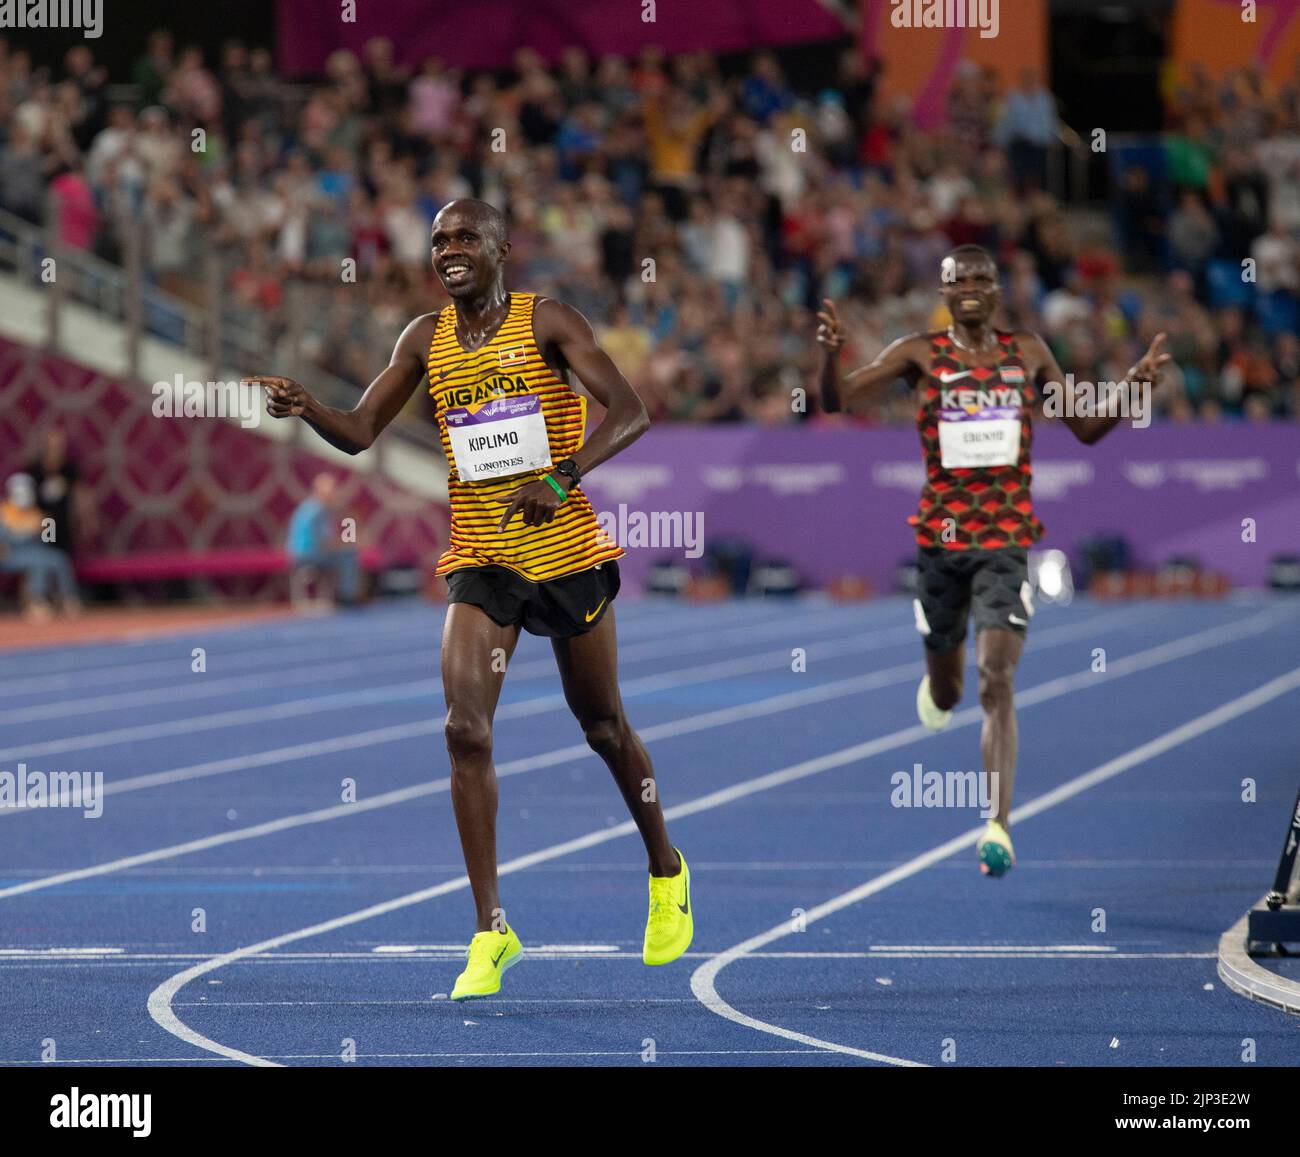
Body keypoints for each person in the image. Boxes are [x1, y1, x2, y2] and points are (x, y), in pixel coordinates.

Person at [246, 198, 691, 999]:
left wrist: (561, 477)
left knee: (601, 725)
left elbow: (631, 411)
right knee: (463, 727)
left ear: (499, 248)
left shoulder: (546, 320)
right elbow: (359, 430)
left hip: (564, 551)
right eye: (438, 238)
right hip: (484, 559)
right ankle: (491, 928)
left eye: (464, 237)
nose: (448, 248)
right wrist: (308, 404)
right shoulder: (424, 337)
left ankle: (665, 866)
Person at [816, 244, 1170, 876]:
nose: (972, 286)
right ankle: (937, 675)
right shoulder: (917, 353)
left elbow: (1083, 427)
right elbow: (837, 399)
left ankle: (998, 825)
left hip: (1006, 539)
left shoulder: (1027, 351)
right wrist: (827, 355)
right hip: (940, 542)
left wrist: (1132, 387)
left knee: (996, 678)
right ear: (944, 292)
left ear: (998, 288)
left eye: (982, 276)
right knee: (951, 690)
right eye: (959, 279)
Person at [0, 473, 81, 620]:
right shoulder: (4, 512)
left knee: (59, 558)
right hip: (10, 556)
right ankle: (36, 602)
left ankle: (68, 598)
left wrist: (47, 526)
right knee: (39, 562)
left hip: (34, 552)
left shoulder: (35, 512)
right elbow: (5, 543)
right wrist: (23, 531)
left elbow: (47, 541)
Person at [286, 472, 361, 606]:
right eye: (331, 491)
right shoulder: (316, 511)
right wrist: (344, 545)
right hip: (307, 555)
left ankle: (346, 594)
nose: (334, 494)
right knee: (348, 554)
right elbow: (321, 542)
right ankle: (347, 596)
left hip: (304, 553)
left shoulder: (312, 507)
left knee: (346, 552)